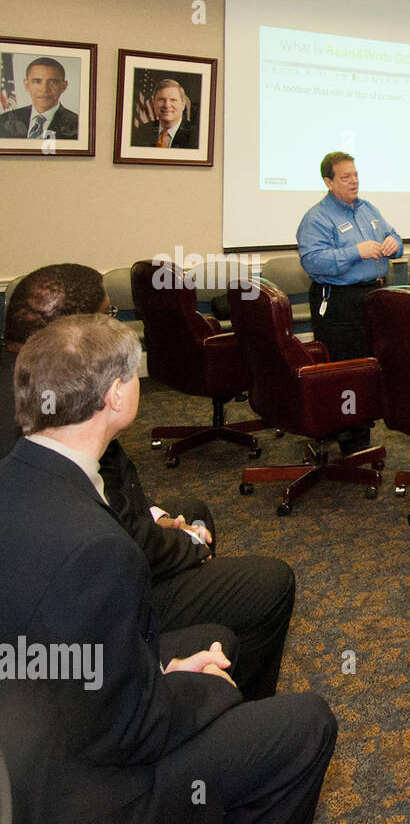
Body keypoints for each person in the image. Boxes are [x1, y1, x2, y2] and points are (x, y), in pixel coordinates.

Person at [0, 314, 337, 824]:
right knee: (304, 724)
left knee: (215, 636)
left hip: (33, 723)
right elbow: (125, 733)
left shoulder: (22, 475)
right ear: (115, 395)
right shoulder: (96, 551)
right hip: (77, 810)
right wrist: (200, 689)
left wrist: (159, 674)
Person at [2, 264, 295, 701]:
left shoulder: (36, 381)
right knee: (270, 580)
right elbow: (106, 534)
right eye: (107, 314)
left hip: (95, 553)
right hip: (91, 594)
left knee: (193, 509)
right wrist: (187, 544)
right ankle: (228, 707)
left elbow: (108, 490)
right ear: (73, 335)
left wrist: (156, 516)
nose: (112, 323)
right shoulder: (50, 410)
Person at [297, 151, 403, 455]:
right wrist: (354, 251)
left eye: (355, 175)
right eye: (346, 177)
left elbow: (394, 236)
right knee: (346, 367)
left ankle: (362, 421)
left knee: (371, 363)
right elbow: (313, 262)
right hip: (341, 301)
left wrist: (395, 244)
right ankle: (348, 434)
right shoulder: (317, 217)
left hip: (375, 297)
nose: (354, 181)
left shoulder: (368, 209)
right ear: (329, 182)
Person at [0, 57, 79, 140]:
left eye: (53, 82)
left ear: (64, 86)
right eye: (37, 81)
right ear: (27, 85)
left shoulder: (78, 125)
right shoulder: (4, 120)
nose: (44, 89)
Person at [129, 78, 198, 149]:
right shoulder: (142, 132)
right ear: (154, 103)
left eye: (173, 100)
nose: (167, 105)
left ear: (183, 105)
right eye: (161, 100)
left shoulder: (196, 136)